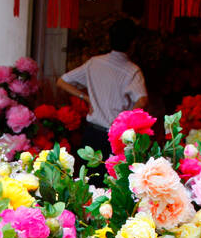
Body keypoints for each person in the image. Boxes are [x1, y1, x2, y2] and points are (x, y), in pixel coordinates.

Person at [56, 18, 150, 164]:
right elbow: (142, 100)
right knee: (114, 182)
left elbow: (62, 81)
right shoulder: (132, 71)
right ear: (133, 43)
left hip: (92, 133)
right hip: (117, 136)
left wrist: (86, 97)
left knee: (89, 182)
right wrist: (125, 121)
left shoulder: (94, 63)